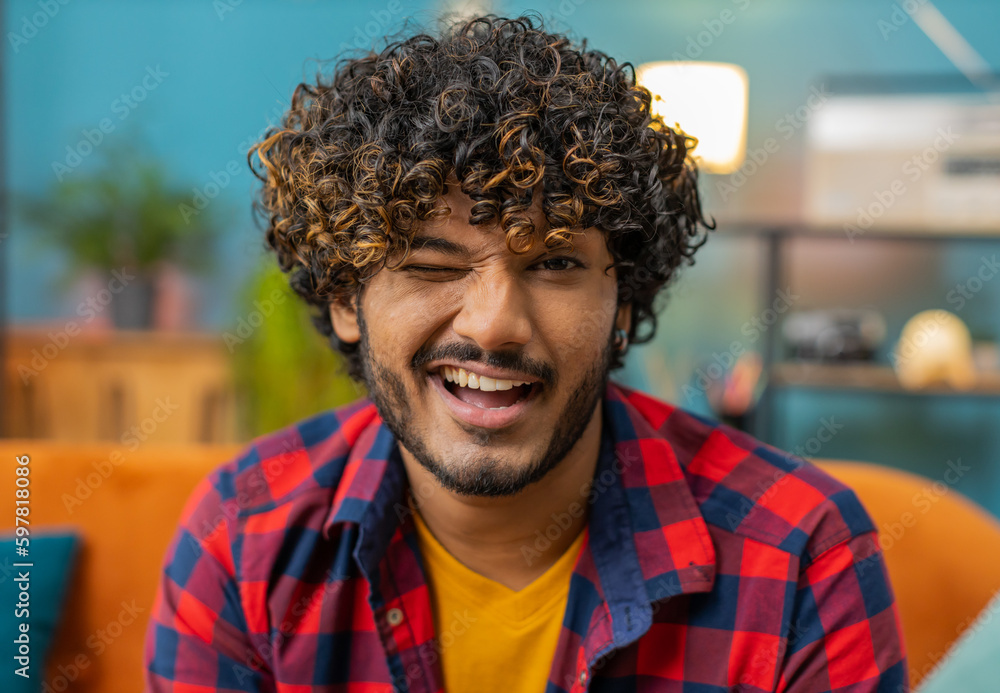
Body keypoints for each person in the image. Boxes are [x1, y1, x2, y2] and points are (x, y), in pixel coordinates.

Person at [144, 14, 907, 693]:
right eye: (434, 263)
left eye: (555, 263)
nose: (496, 322)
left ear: (626, 300)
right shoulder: (243, 538)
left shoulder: (801, 556)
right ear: (347, 298)